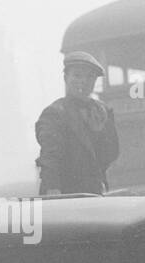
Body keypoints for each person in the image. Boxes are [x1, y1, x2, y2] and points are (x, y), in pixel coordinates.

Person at [35, 51, 119, 195]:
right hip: (65, 194)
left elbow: (112, 152)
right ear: (66, 78)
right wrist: (52, 189)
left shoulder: (103, 112)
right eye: (77, 75)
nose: (83, 81)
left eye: (90, 77)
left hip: (95, 192)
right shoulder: (54, 113)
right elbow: (50, 156)